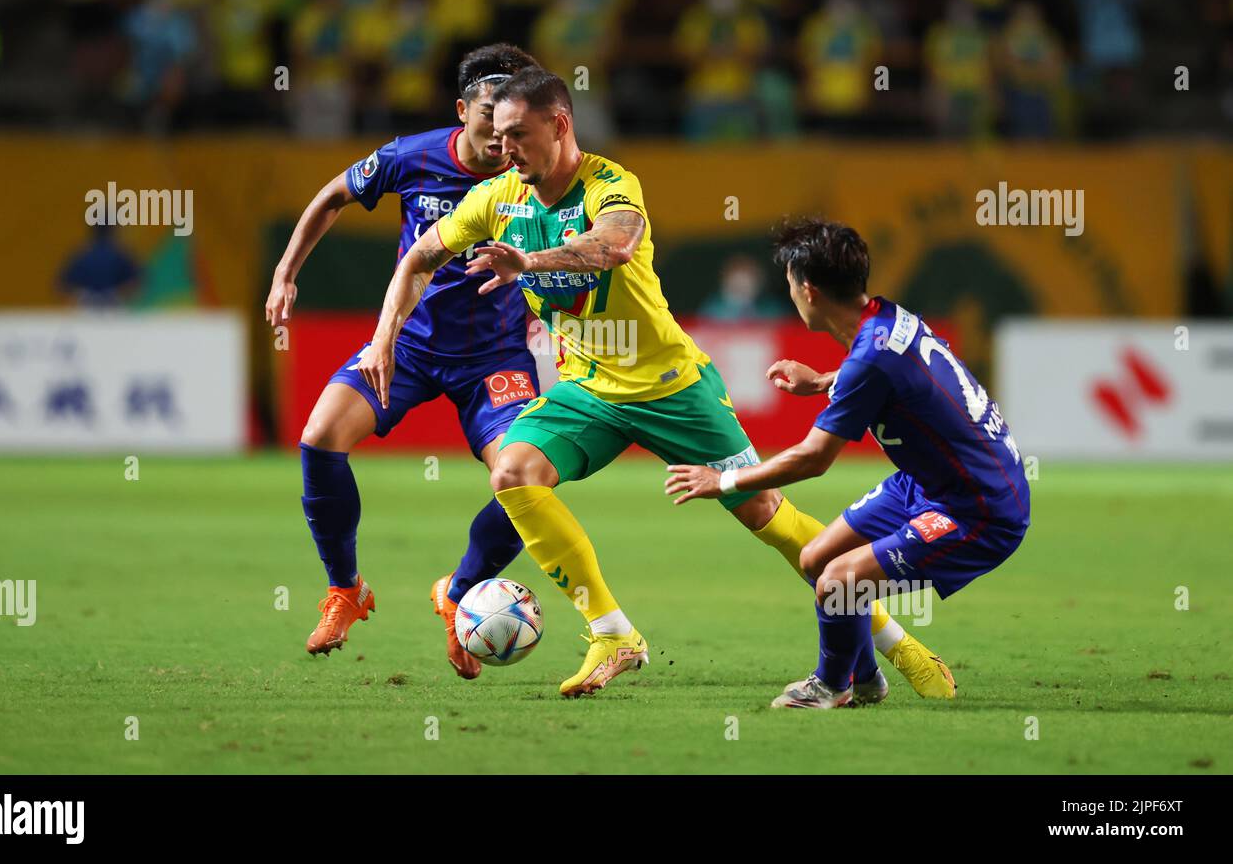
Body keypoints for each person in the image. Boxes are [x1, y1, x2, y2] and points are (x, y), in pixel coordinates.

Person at [359, 68, 954, 699]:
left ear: (560, 126)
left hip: (672, 387)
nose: (504, 149)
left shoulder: (611, 185)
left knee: (767, 515)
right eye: (499, 137)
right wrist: (383, 338)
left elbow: (613, 247)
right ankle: (612, 632)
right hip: (588, 390)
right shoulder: (495, 198)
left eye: (518, 135)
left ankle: (898, 642)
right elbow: (418, 260)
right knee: (512, 470)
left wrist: (528, 261)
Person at [666, 218, 1029, 708]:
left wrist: (724, 480)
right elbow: (884, 371)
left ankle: (829, 687)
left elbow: (814, 458)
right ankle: (864, 679)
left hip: (979, 509)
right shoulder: (886, 319)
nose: (790, 292)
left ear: (809, 290)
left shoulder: (869, 358)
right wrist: (821, 382)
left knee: (840, 582)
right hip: (928, 482)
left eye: (791, 283)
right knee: (816, 558)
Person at [264, 43, 541, 679]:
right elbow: (331, 196)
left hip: (493, 359)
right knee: (319, 437)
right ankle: (346, 591)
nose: (501, 143)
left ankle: (460, 591)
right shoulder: (409, 156)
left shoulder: (532, 173)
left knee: (526, 482)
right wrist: (285, 274)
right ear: (462, 111)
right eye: (486, 125)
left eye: (510, 130)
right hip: (406, 345)